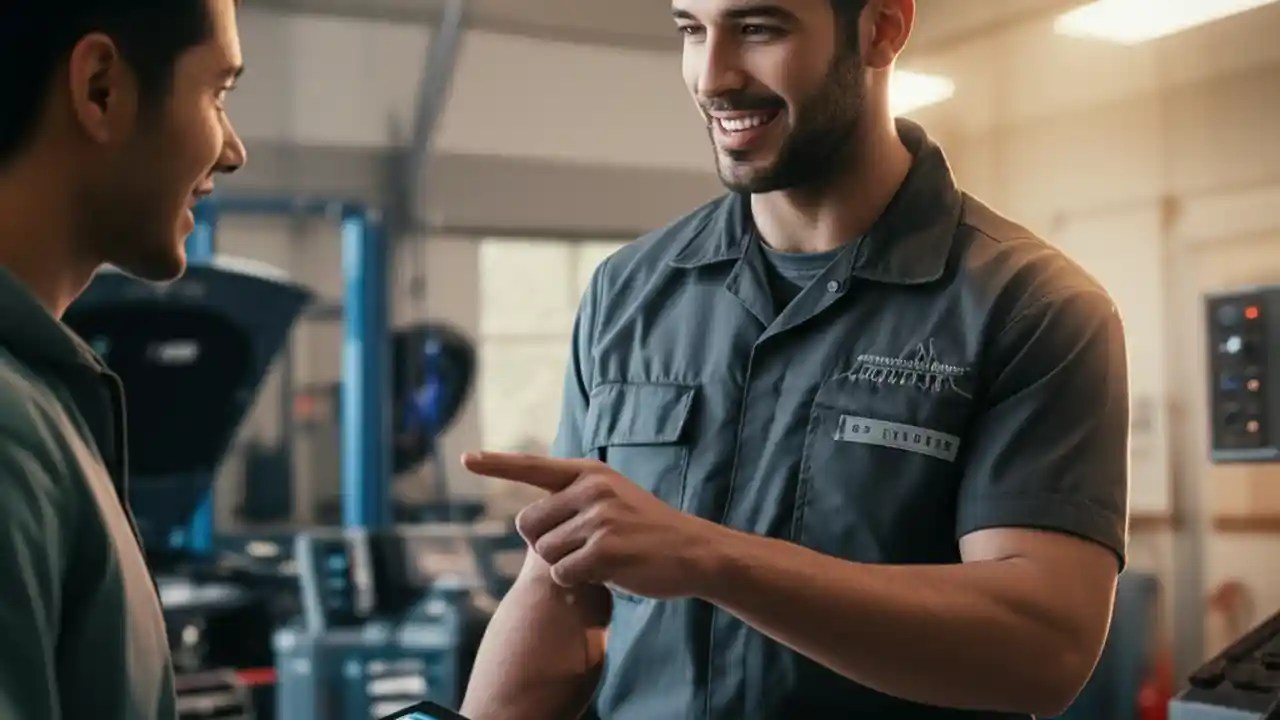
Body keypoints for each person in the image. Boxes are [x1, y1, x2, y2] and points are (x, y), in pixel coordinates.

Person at [460, 0, 1130, 718]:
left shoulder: (1031, 307)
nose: (711, 76)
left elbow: (1042, 650)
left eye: (757, 28)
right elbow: (562, 590)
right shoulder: (629, 293)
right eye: (691, 30)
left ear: (881, 29)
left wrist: (710, 558)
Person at [0, 1, 247, 718]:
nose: (232, 150)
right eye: (217, 93)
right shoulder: (12, 434)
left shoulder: (41, 399)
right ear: (101, 88)